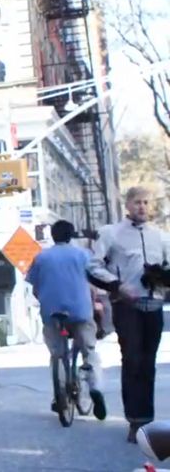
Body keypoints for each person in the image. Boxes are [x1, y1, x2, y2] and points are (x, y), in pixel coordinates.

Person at [89, 185, 170, 443]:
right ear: (127, 205)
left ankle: (147, 419)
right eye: (137, 202)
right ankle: (136, 422)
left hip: (153, 305)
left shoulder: (161, 236)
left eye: (146, 202)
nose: (142, 207)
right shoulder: (111, 233)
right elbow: (93, 267)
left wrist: (161, 277)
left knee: (148, 363)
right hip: (127, 306)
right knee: (133, 360)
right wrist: (117, 286)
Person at [26, 220, 107, 420]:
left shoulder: (41, 257)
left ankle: (60, 394)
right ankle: (95, 386)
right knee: (89, 350)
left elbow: (35, 288)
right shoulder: (83, 255)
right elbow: (94, 284)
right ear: (71, 236)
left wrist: (46, 299)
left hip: (52, 312)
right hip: (81, 311)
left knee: (57, 354)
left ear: (52, 236)